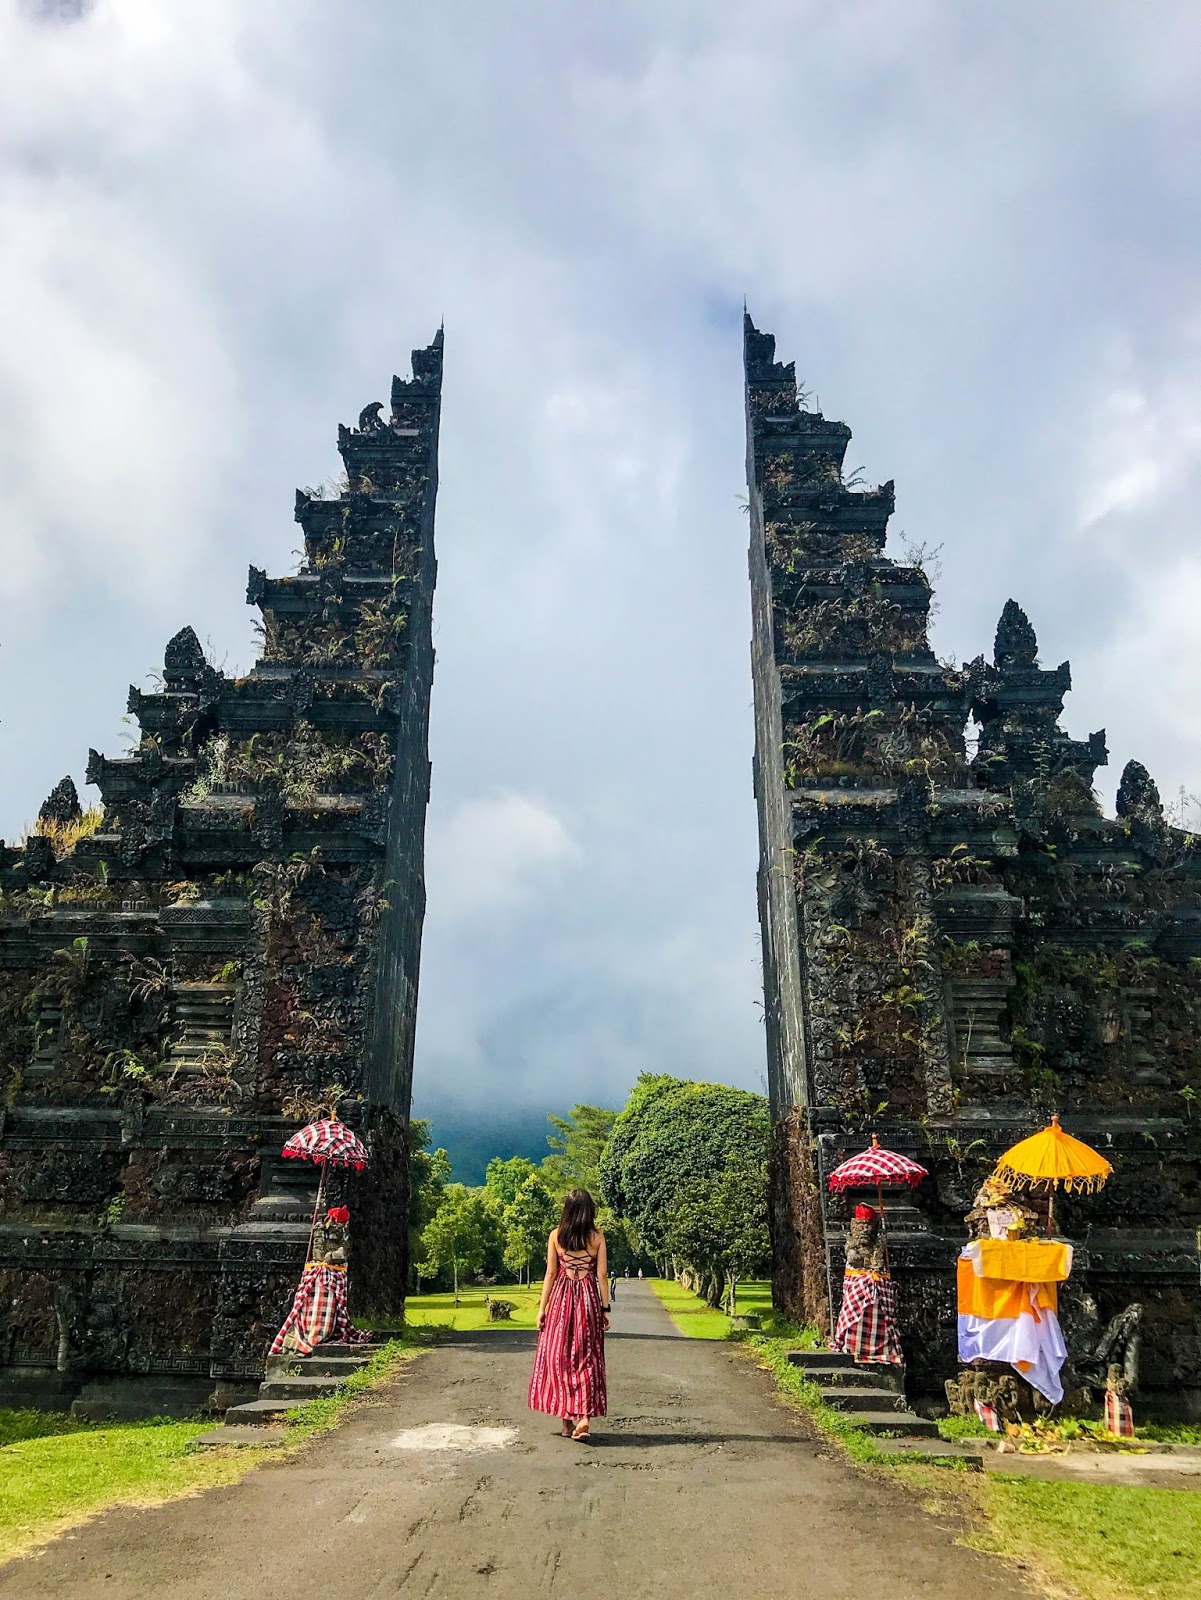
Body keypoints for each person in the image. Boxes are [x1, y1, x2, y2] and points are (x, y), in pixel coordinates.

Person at [527, 1188, 610, 1442]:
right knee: (586, 1358)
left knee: (560, 1357)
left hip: (561, 1300)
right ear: (589, 1210)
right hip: (587, 1299)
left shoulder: (556, 1235)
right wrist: (605, 1309)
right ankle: (583, 1417)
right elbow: (602, 1276)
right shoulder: (597, 1237)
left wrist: (542, 1309)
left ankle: (566, 1422)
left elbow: (550, 1274)